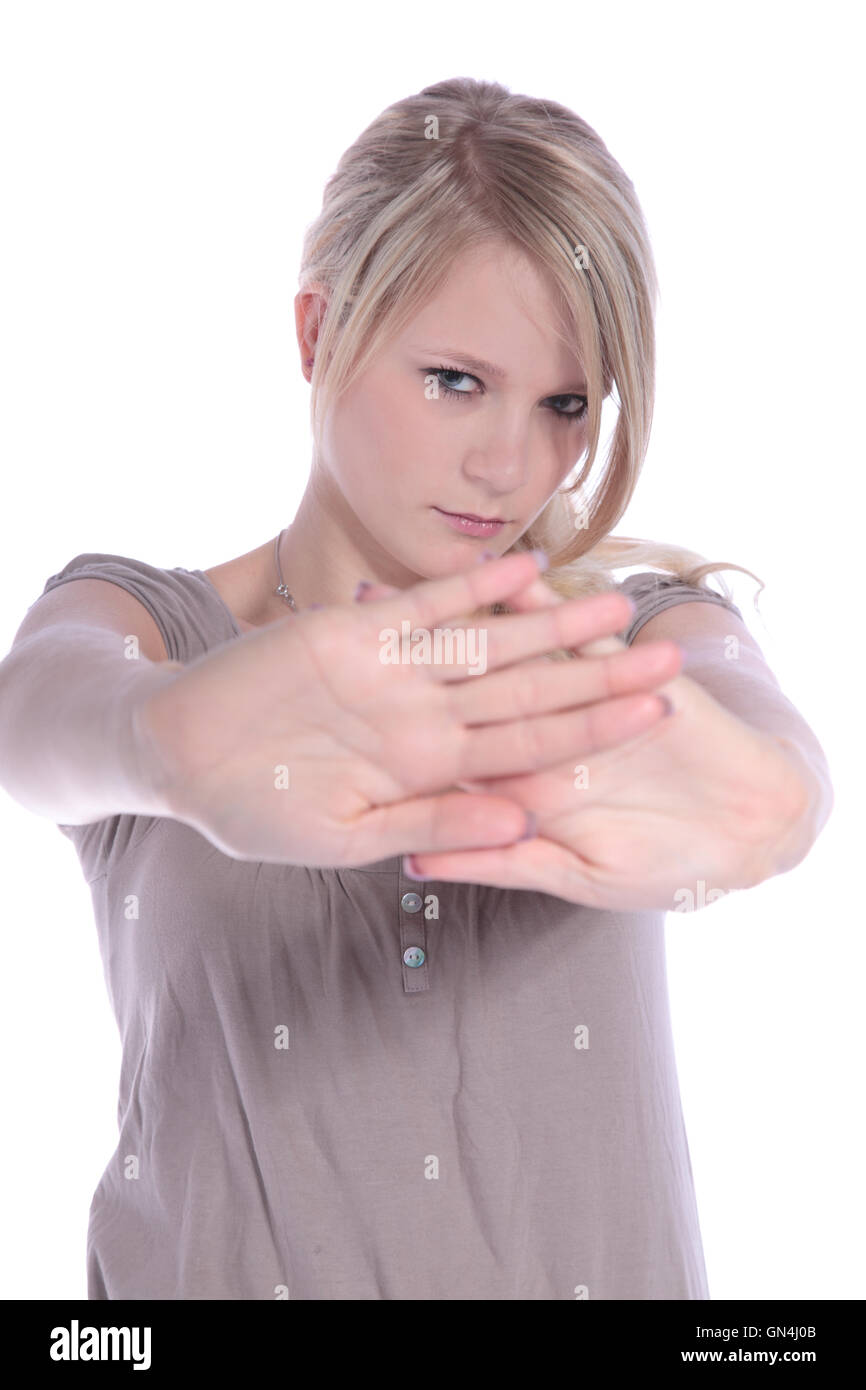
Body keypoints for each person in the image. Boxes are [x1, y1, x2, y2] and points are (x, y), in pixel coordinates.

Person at [0, 77, 832, 1300]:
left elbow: (765, 753)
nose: (510, 463)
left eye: (564, 404)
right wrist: (163, 740)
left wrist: (765, 808)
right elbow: (34, 713)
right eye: (454, 379)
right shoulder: (155, 627)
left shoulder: (626, 631)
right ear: (316, 333)